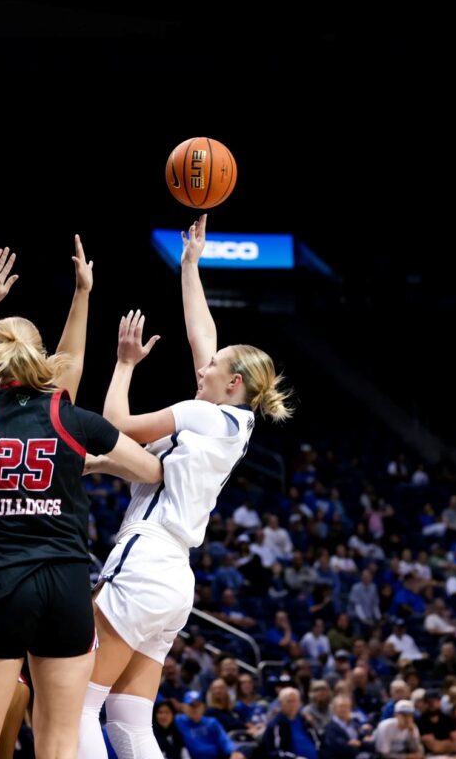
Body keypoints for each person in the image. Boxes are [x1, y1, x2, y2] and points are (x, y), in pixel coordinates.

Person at [0, 246, 162, 759]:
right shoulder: (68, 416)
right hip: (64, 589)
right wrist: (83, 292)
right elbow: (152, 469)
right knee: (59, 745)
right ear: (43, 360)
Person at [79, 214, 292, 759]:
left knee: (78, 700)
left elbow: (114, 426)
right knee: (129, 720)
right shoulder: (234, 423)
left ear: (234, 383)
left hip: (146, 556)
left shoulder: (200, 413)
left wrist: (125, 365)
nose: (202, 369)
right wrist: (190, 264)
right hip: (176, 581)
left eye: (213, 368)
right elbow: (205, 336)